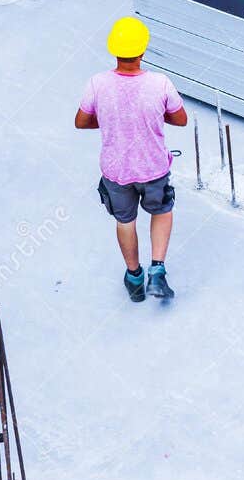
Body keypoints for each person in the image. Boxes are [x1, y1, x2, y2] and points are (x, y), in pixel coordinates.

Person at [76, 17, 187, 300]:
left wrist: (114, 122)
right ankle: (157, 272)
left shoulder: (97, 84)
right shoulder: (160, 84)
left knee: (125, 221)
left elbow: (81, 121)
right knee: (161, 211)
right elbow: (180, 119)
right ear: (143, 51)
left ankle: (134, 278)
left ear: (114, 51)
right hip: (153, 168)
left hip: (116, 171)